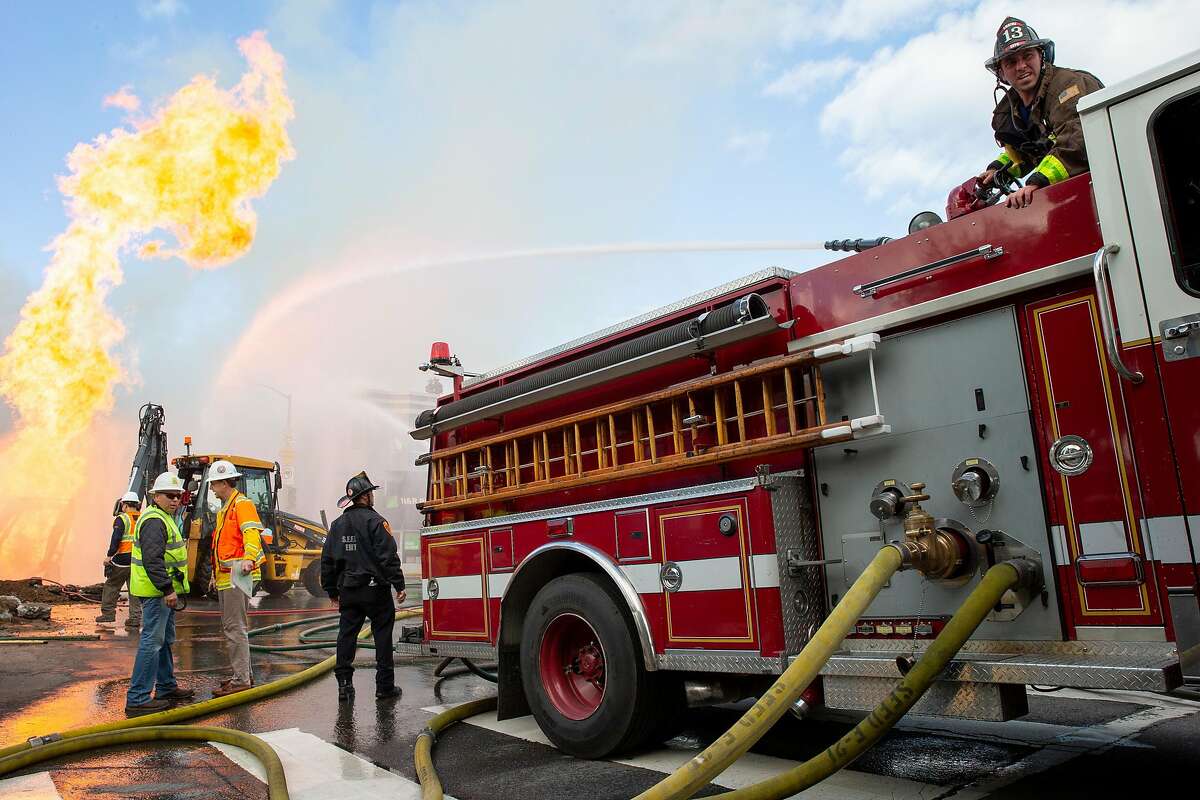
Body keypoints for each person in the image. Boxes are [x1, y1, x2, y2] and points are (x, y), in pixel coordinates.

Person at [975, 17, 1102, 209]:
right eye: (1011, 62)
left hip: (1106, 185)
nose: (1021, 66)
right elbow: (1028, 149)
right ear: (1001, 73)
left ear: (1041, 56)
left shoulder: (1069, 85)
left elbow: (1077, 138)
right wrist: (997, 170)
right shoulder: (1017, 110)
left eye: (1027, 56)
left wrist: (1037, 182)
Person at [321, 471, 406, 702]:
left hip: (349, 590)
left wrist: (331, 591)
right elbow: (388, 556)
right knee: (382, 636)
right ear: (365, 496)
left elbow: (327, 560)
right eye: (370, 493)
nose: (372, 496)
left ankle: (344, 687)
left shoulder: (337, 525)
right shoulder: (377, 522)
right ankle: (384, 687)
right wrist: (399, 584)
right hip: (376, 590)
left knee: (346, 636)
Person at [124, 472, 195, 715]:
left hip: (163, 592)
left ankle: (165, 686)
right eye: (170, 496)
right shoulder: (155, 520)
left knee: (164, 640)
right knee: (152, 642)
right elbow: (153, 560)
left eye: (179, 496)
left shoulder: (164, 518)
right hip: (157, 593)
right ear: (156, 496)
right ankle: (138, 697)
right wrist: (167, 589)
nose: (176, 500)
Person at [207, 459, 266, 697]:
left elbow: (251, 533)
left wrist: (249, 559)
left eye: (214, 484)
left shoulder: (241, 504)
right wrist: (213, 574)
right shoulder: (226, 508)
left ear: (224, 482)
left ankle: (241, 680)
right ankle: (243, 674)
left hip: (237, 575)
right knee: (233, 627)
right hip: (226, 576)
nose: (211, 488)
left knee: (234, 628)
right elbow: (222, 545)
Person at [97, 491, 143, 630]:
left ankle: (108, 614)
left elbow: (116, 539)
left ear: (124, 505)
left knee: (112, 586)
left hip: (122, 559)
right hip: (138, 560)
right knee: (134, 589)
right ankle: (135, 618)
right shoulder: (143, 517)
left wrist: (109, 556)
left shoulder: (122, 519)